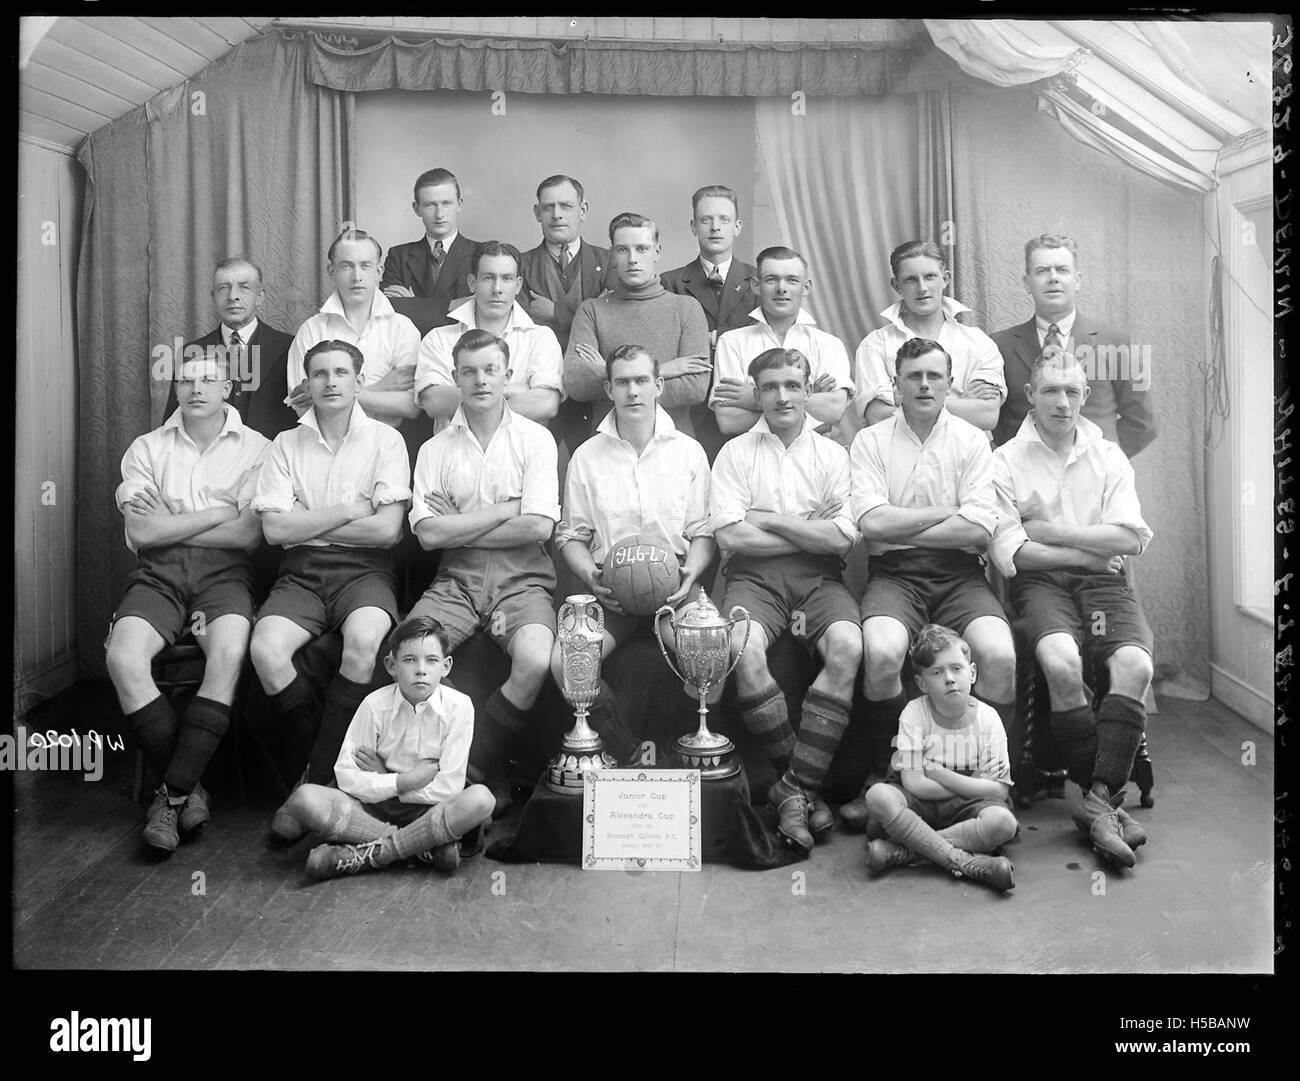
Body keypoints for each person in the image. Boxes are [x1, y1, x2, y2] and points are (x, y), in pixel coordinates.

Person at [842, 337, 1016, 830]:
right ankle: (889, 774)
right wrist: (944, 512)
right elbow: (871, 525)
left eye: (933, 376)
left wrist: (908, 520)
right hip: (894, 575)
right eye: (913, 376)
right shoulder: (871, 441)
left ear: (948, 382)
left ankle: (994, 785)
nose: (923, 385)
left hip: (960, 574)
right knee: (879, 652)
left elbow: (979, 530)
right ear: (895, 384)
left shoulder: (972, 441)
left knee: (999, 655)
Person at [990, 346, 1155, 869]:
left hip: (1104, 587)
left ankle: (1097, 800)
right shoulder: (1004, 462)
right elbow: (1014, 552)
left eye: (1072, 391)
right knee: (1061, 661)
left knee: (1136, 665)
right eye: (1051, 391)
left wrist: (1050, 530)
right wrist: (1089, 548)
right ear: (1029, 396)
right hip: (1042, 585)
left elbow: (1130, 539)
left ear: (1085, 396)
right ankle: (1104, 801)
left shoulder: (1108, 457)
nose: (1062, 402)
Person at [106, 351, 269, 853]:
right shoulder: (146, 448)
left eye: (209, 379)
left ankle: (170, 796)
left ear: (228, 388)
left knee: (227, 655)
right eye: (187, 379)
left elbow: (247, 536)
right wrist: (217, 512)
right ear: (175, 389)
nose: (197, 388)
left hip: (225, 579)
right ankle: (188, 788)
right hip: (160, 575)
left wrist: (173, 522)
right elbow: (141, 529)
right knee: (122, 657)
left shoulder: (258, 447)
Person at [251, 340, 411, 839]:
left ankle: (316, 779)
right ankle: (331, 766)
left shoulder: (386, 440)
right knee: (265, 649)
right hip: (300, 571)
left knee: (364, 642)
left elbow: (387, 531)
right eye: (319, 373)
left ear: (359, 381)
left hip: (366, 571)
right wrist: (348, 511)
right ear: (308, 383)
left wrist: (309, 521)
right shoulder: (285, 444)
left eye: (342, 372)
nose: (331, 382)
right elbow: (275, 532)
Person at [710, 347, 863, 856]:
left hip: (820, 579)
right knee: (742, 648)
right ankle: (798, 786)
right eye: (770, 387)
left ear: (807, 390)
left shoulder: (833, 455)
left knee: (848, 646)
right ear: (756, 394)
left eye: (793, 385)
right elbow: (731, 538)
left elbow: (841, 539)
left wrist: (768, 518)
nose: (782, 396)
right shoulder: (735, 452)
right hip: (754, 580)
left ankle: (791, 790)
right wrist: (806, 528)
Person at [407, 329, 560, 813]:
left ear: (507, 376)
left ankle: (473, 767)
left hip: (523, 577)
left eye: (490, 370)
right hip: (458, 576)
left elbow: (537, 526)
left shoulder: (536, 439)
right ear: (455, 377)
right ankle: (434, 770)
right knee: (411, 651)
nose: (479, 380)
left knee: (536, 660)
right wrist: (502, 510)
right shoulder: (435, 448)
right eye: (468, 371)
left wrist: (459, 522)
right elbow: (429, 537)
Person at [553, 344, 717, 759]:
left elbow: (704, 532)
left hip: (675, 585)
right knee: (563, 662)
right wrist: (592, 576)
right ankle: (627, 755)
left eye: (642, 380)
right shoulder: (588, 456)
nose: (633, 391)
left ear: (659, 385)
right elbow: (571, 534)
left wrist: (691, 576)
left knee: (716, 649)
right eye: (623, 382)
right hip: (610, 588)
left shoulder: (688, 451)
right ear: (608, 388)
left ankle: (695, 749)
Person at [272, 616, 496, 880]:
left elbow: (449, 787)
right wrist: (403, 781)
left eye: (431, 660)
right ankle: (421, 848)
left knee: (481, 799)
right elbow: (347, 776)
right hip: (371, 808)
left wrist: (384, 777)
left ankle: (363, 857)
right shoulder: (374, 705)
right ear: (391, 665)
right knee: (304, 799)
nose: (421, 669)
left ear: (446, 666)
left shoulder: (459, 707)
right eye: (410, 660)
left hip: (428, 810)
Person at [861, 624, 1018, 892]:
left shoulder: (988, 718)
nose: (949, 678)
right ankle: (961, 860)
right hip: (922, 803)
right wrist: (973, 780)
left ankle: (904, 850)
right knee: (878, 796)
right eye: (936, 672)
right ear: (922, 683)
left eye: (957, 668)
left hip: (970, 806)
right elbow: (914, 784)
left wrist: (937, 772)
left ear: (972, 672)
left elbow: (998, 790)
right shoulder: (914, 712)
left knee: (1004, 823)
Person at [991, 233, 1157, 456]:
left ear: (1077, 280)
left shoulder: (1120, 343)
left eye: (1062, 270)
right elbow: (995, 423)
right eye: (1042, 271)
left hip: (1094, 481)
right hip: (1024, 481)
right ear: (1026, 282)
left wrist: (1100, 460)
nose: (1053, 278)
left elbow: (1144, 423)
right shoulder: (998, 345)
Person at [564, 212, 711, 442]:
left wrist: (610, 374)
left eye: (642, 249)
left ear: (657, 252)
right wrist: (663, 370)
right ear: (613, 254)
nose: (632, 258)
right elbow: (577, 383)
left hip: (673, 446)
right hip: (607, 447)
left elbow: (695, 387)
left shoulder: (687, 309)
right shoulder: (591, 311)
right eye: (623, 249)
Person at [855, 241, 1005, 431]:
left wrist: (905, 399)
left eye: (930, 277)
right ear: (896, 285)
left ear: (945, 279)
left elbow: (986, 416)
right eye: (910, 279)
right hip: (900, 456)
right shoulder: (875, 345)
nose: (922, 288)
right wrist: (959, 402)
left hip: (964, 456)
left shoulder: (978, 342)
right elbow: (877, 417)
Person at [519, 175, 621, 453]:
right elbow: (522, 321)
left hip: (595, 389)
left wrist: (555, 311)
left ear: (583, 210)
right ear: (537, 212)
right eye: (548, 207)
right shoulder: (521, 265)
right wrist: (592, 306)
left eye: (566, 206)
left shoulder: (609, 261)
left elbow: (613, 317)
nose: (557, 215)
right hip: (540, 386)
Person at [414, 241, 563, 431]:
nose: (497, 289)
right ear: (472, 283)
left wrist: (468, 396)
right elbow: (434, 400)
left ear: (518, 285)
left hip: (521, 457)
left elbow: (546, 404)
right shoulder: (440, 338)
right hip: (457, 455)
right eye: (488, 278)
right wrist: (516, 391)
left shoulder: (541, 338)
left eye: (507, 278)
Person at [710, 245, 852, 440]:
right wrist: (810, 405)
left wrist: (754, 397)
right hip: (753, 459)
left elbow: (834, 409)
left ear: (806, 287)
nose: (781, 288)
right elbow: (728, 419)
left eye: (792, 280)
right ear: (756, 285)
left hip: (814, 461)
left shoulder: (828, 345)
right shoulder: (732, 342)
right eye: (771, 279)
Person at [285, 229, 422, 429]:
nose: (357, 276)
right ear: (332, 271)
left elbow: (410, 406)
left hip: (385, 447)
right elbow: (304, 405)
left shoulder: (402, 328)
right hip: (324, 445)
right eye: (347, 266)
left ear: (379, 272)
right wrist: (380, 389)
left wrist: (334, 395)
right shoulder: (312, 330)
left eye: (365, 266)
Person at [161, 257, 298, 439]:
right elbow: (174, 424)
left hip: (273, 460)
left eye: (244, 287)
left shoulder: (290, 347)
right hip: (212, 460)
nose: (233, 296)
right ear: (213, 296)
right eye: (223, 288)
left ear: (259, 296)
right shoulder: (191, 352)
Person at [381, 168, 480, 305]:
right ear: (417, 209)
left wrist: (415, 304)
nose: (439, 214)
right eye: (430, 205)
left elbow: (482, 308)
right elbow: (394, 310)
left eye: (446, 203)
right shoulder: (398, 257)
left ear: (459, 204)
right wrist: (452, 305)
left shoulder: (481, 254)